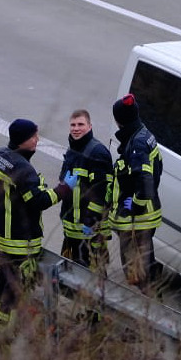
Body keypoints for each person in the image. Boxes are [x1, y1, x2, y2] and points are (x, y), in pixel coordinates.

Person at [0, 118, 73, 325]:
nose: (37, 140)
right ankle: (4, 328)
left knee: (3, 276)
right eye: (33, 137)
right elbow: (38, 202)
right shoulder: (24, 170)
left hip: (0, 234)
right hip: (20, 241)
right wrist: (64, 189)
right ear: (23, 141)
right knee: (16, 286)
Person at [108, 94, 163, 293]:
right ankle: (151, 309)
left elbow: (145, 181)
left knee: (137, 273)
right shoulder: (143, 134)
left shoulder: (137, 145)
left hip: (138, 221)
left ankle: (148, 314)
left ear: (119, 120)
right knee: (146, 266)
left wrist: (135, 205)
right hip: (145, 217)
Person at [58, 109, 113, 271]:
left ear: (89, 126)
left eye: (80, 124)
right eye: (73, 125)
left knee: (91, 276)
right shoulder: (72, 150)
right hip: (72, 226)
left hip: (88, 229)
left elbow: (102, 194)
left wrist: (90, 222)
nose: (76, 128)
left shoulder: (98, 152)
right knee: (71, 274)